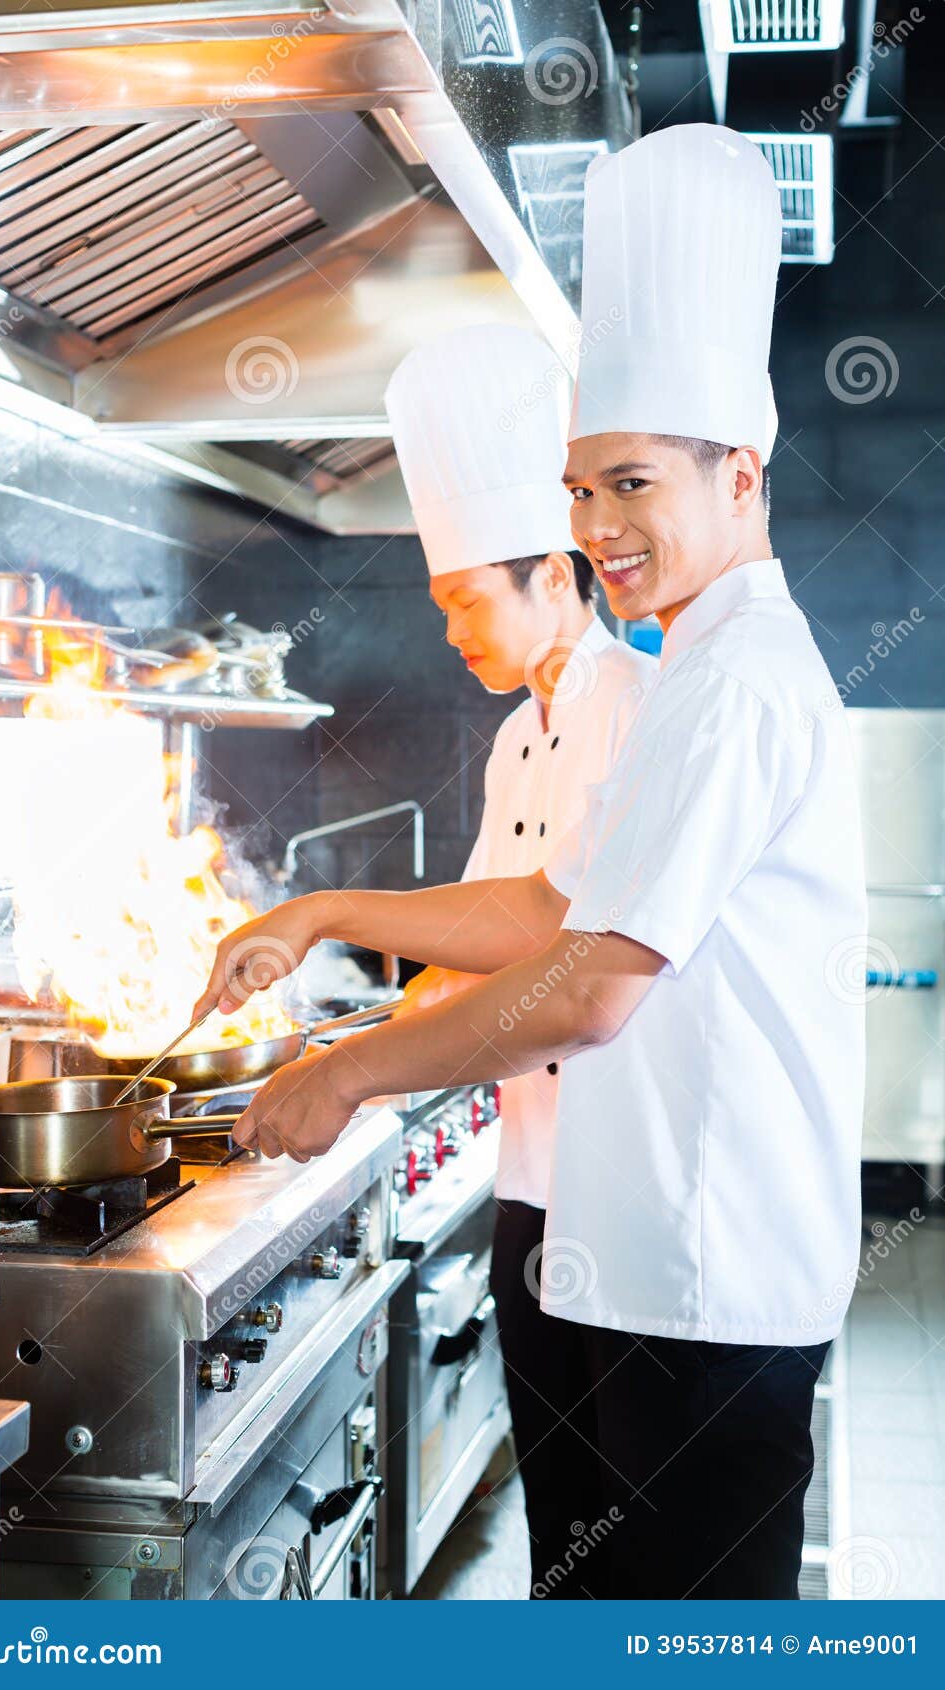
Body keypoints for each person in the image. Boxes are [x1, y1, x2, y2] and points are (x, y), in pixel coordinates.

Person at [194, 125, 866, 1598]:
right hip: (648, 1251)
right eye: (578, 490)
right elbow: (562, 909)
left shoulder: (732, 678)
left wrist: (347, 1068)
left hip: (708, 1266)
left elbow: (588, 984)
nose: (597, 529)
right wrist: (318, 913)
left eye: (628, 484)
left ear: (736, 470)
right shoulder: (694, 663)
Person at [383, 323, 656, 1595]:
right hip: (531, 1182)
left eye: (461, 603)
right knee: (559, 1522)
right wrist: (342, 1047)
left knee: (624, 1523)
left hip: (627, 1195)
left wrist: (354, 1032)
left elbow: (554, 942)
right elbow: (485, 933)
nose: (450, 633)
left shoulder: (634, 709)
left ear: (555, 575)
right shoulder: (513, 740)